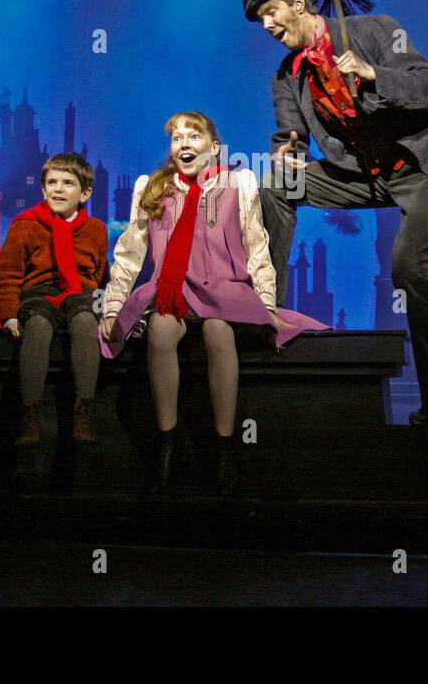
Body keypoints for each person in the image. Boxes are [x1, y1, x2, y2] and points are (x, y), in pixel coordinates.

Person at [243, 0, 428, 425]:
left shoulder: (375, 30)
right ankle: (267, 311)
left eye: (272, 13)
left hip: (418, 168)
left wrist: (374, 74)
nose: (269, 27)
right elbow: (288, 134)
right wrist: (288, 154)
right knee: (275, 184)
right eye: (262, 22)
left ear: (298, 3)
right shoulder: (288, 74)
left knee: (408, 270)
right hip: (358, 175)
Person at [99, 111, 327, 494]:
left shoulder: (237, 183)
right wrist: (112, 305)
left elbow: (257, 246)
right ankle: (168, 444)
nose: (184, 143)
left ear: (214, 147)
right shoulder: (152, 188)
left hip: (224, 291)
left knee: (219, 333)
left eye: (194, 136)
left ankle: (223, 448)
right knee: (159, 328)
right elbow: (129, 252)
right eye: (177, 138)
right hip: (173, 291)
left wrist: (267, 302)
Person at [0, 153, 108, 447]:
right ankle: (30, 415)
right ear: (43, 189)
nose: (58, 189)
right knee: (39, 326)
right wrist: (9, 315)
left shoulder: (95, 229)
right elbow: (6, 274)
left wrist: (104, 311)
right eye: (51, 182)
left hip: (79, 293)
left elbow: (99, 276)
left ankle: (84, 411)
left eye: (67, 183)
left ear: (85, 193)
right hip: (39, 293)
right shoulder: (26, 224)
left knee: (84, 322)